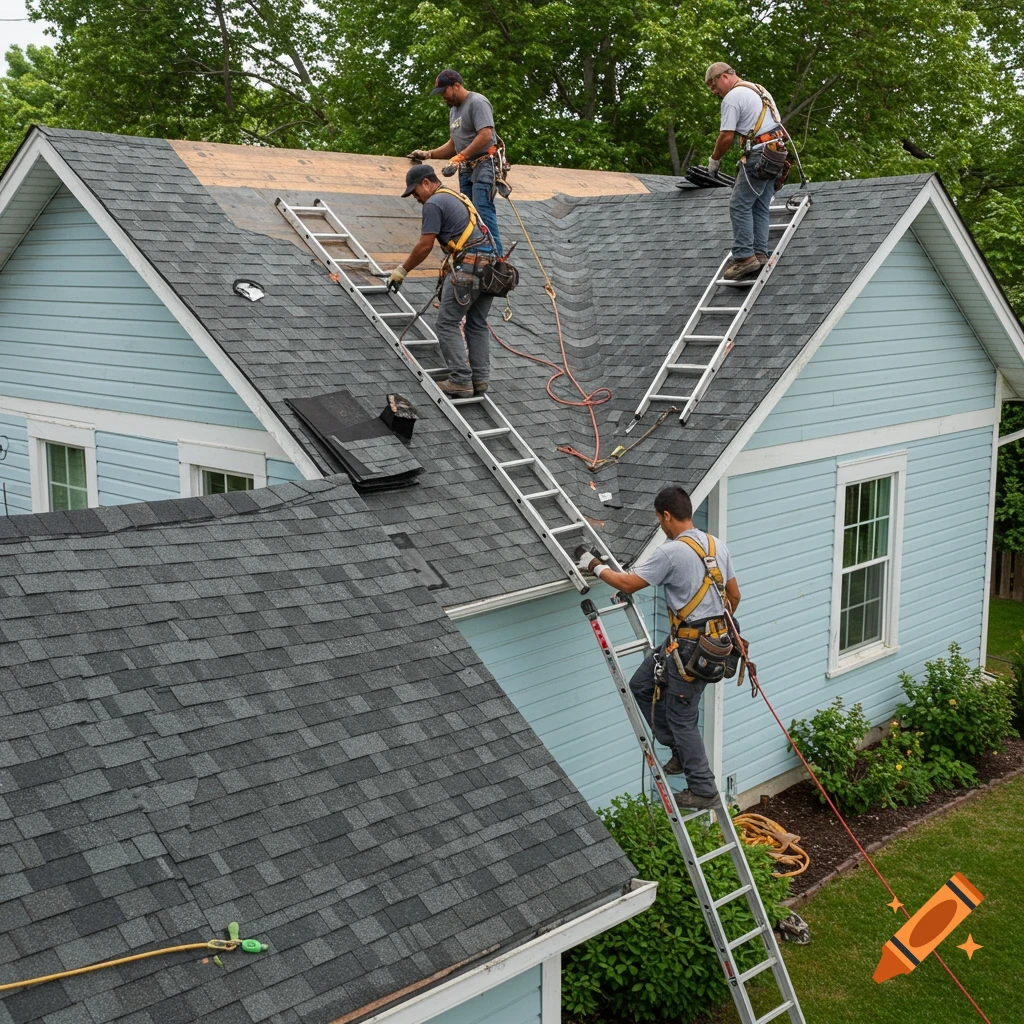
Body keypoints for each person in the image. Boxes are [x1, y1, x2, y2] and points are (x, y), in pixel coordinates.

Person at [576, 485, 741, 808]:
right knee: (641, 685)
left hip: (690, 650)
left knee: (682, 716)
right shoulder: (715, 545)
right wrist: (711, 624)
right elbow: (734, 596)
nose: (660, 527)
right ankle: (678, 750)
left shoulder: (672, 552)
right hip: (710, 644)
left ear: (667, 516)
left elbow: (627, 582)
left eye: (659, 520)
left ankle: (703, 789)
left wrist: (592, 564)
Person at [387, 163, 495, 398]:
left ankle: (460, 380)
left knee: (447, 323)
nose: (416, 198)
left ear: (426, 183)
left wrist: (402, 271)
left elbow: (425, 245)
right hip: (490, 268)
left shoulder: (434, 202)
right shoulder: (457, 197)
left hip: (469, 266)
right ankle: (479, 378)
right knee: (476, 322)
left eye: (415, 192)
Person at [704, 61, 788, 281]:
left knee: (739, 204)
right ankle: (759, 254)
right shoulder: (760, 90)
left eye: (713, 86)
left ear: (724, 77)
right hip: (776, 154)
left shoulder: (732, 97)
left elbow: (726, 136)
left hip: (759, 155)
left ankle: (744, 258)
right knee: (759, 205)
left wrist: (714, 161)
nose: (714, 92)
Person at [408, 70, 504, 256]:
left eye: (445, 91)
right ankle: (477, 255)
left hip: (485, 164)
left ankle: (496, 259)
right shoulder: (454, 111)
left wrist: (460, 157)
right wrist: (429, 154)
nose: (443, 97)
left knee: (483, 211)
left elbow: (486, 135)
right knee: (469, 216)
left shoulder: (477, 102)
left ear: (456, 86)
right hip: (467, 168)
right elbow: (454, 144)